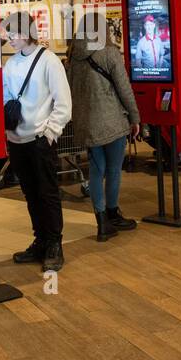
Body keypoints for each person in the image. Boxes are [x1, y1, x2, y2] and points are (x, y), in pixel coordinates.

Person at [3, 11, 73, 272]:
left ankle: (55, 243)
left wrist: (49, 133)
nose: (9, 37)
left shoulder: (49, 61)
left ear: (26, 32)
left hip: (40, 139)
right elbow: (4, 95)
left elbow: (64, 104)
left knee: (47, 192)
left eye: (13, 32)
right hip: (17, 139)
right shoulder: (10, 64)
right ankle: (41, 240)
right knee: (30, 194)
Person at [67, 12, 141, 241]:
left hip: (86, 124)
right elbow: (124, 88)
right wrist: (135, 117)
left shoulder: (73, 57)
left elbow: (70, 90)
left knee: (96, 172)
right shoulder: (109, 52)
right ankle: (113, 212)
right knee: (113, 170)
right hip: (111, 122)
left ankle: (101, 222)